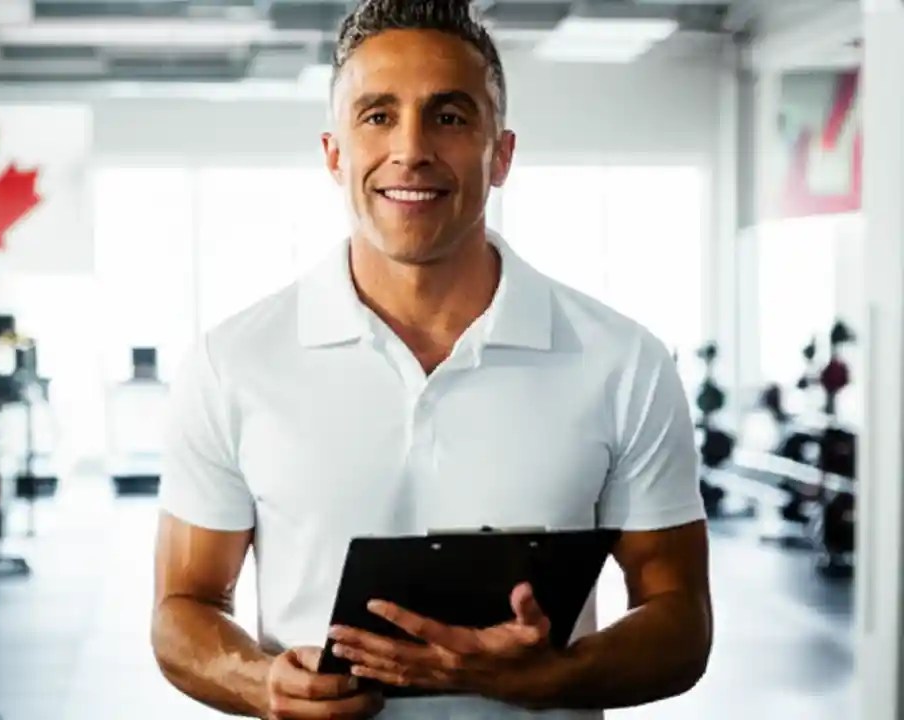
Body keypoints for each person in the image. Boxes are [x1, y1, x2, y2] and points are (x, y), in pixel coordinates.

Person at [150, 1, 712, 718]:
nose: (410, 149)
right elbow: (181, 608)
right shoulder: (233, 362)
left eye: (449, 117)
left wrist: (548, 680)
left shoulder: (623, 361)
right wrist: (259, 683)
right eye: (377, 115)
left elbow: (682, 622)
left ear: (500, 154)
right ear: (334, 153)